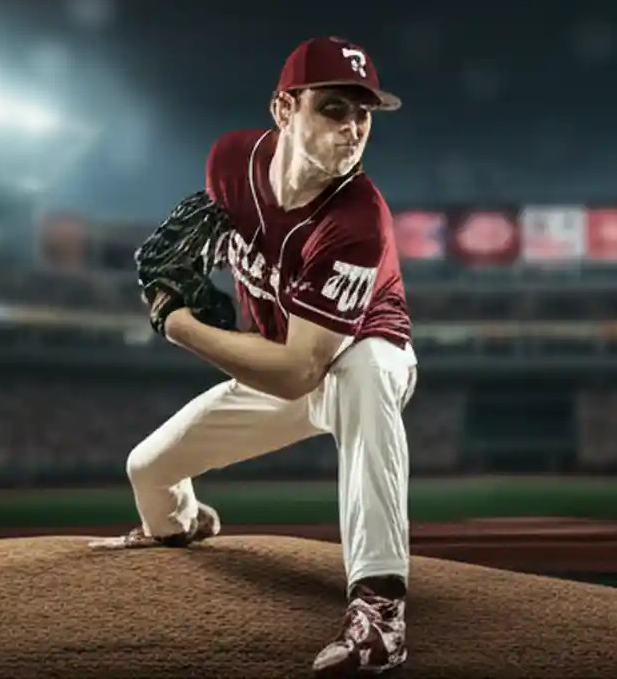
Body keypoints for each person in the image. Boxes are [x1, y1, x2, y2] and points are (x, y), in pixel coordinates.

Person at [89, 36, 419, 676]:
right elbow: (283, 367)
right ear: (284, 109)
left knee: (366, 371)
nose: (353, 128)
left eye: (364, 114)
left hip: (352, 355)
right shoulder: (229, 161)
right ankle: (184, 523)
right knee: (146, 470)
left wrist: (179, 324)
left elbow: (303, 372)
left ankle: (379, 608)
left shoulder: (358, 219)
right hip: (279, 356)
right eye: (333, 109)